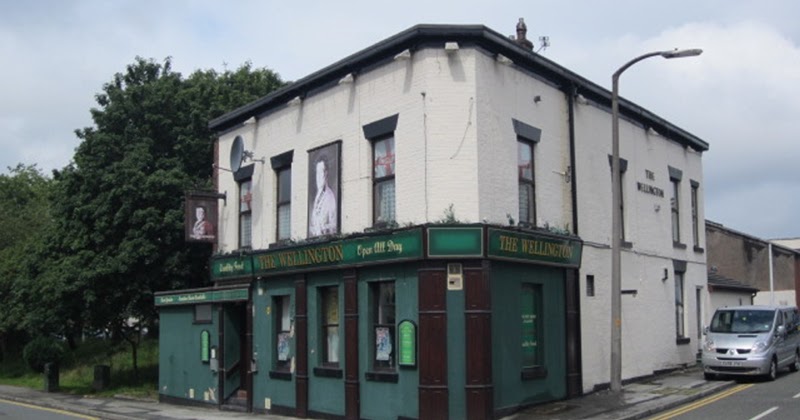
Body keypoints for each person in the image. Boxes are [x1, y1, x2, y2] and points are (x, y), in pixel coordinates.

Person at [309, 154, 337, 236]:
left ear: (326, 174)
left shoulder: (330, 197)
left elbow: (334, 226)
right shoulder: (317, 197)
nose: (318, 177)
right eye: (317, 173)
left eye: (320, 173)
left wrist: (322, 228)